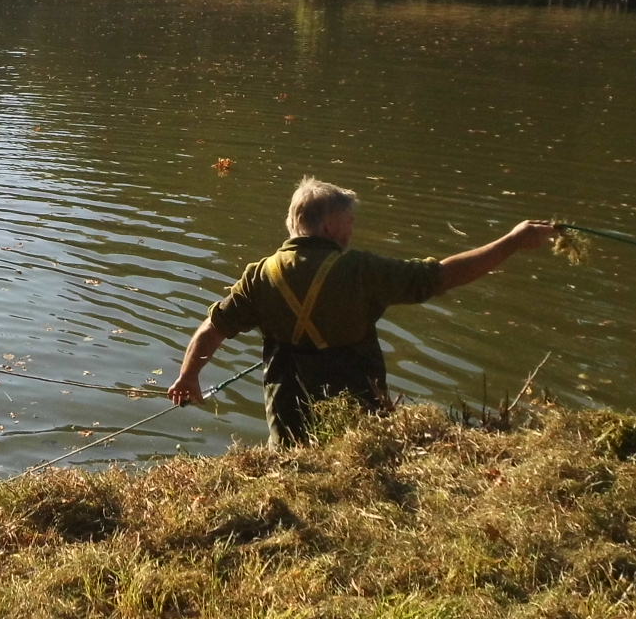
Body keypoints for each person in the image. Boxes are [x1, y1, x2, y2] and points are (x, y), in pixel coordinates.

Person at [166, 176, 559, 446]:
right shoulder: (358, 270)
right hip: (357, 421)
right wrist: (512, 241)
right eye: (349, 222)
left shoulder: (260, 276)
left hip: (287, 421)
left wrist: (189, 377)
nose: (352, 232)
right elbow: (440, 276)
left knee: (293, 479)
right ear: (331, 226)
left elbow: (211, 330)